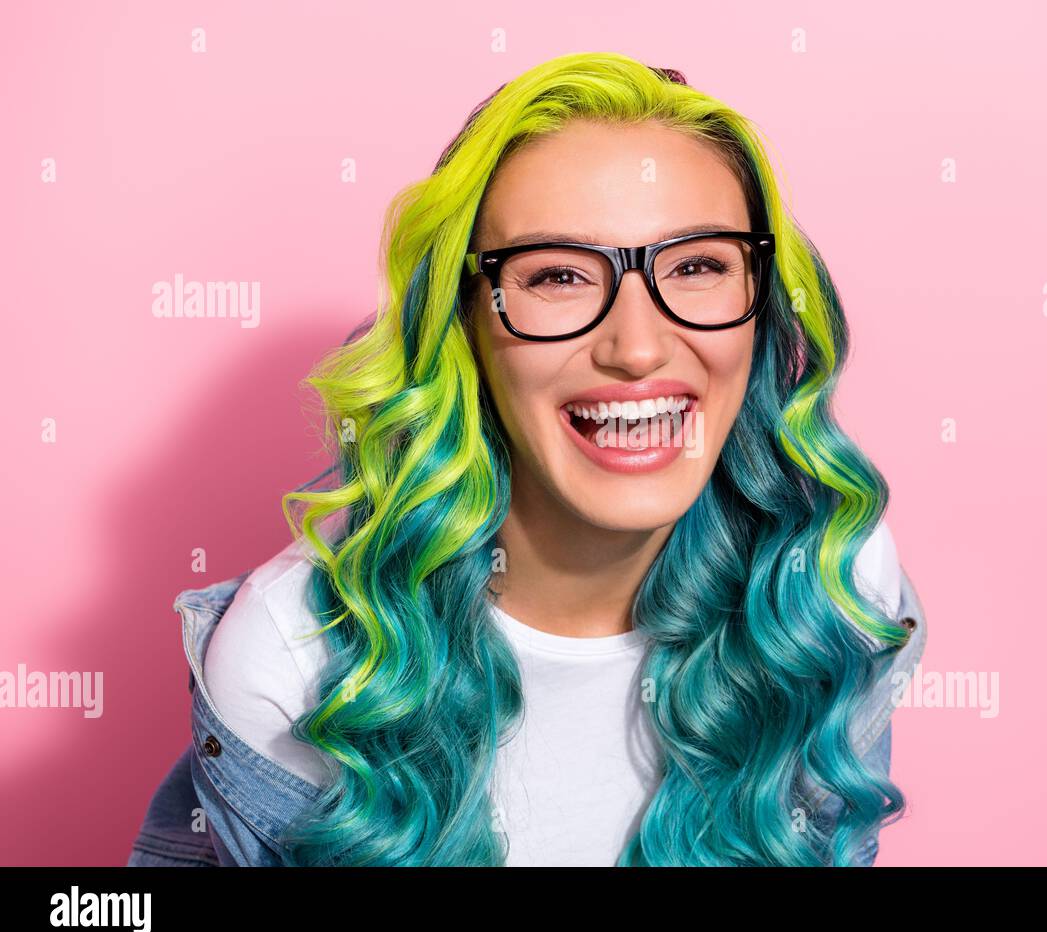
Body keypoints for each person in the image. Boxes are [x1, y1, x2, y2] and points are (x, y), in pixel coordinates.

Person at [195, 51, 926, 866]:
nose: (639, 348)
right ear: (463, 325)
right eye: (558, 277)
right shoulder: (298, 660)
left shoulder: (831, 583)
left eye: (696, 266)